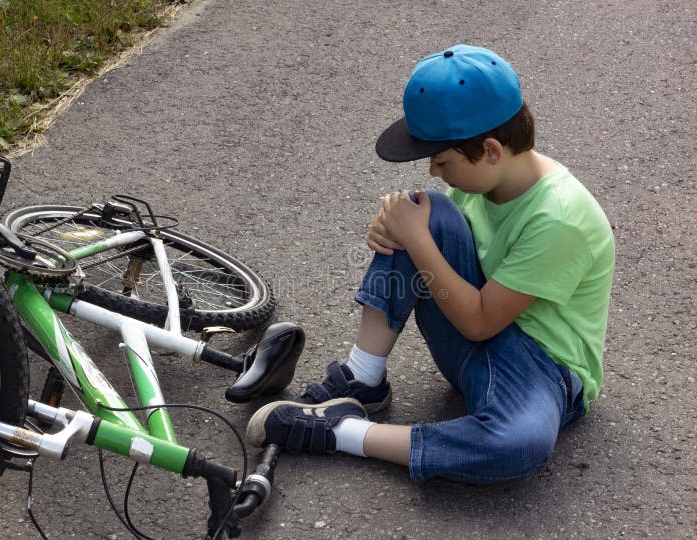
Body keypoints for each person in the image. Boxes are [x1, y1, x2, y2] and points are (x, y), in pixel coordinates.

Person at [246, 44, 615, 484]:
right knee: (426, 209)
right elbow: (436, 252)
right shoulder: (479, 181)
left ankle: (344, 432)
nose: (435, 171)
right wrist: (393, 231)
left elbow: (480, 323)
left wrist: (416, 238)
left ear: (492, 151)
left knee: (521, 445)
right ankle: (362, 379)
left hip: (541, 373)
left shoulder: (560, 219)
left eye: (442, 161)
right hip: (470, 348)